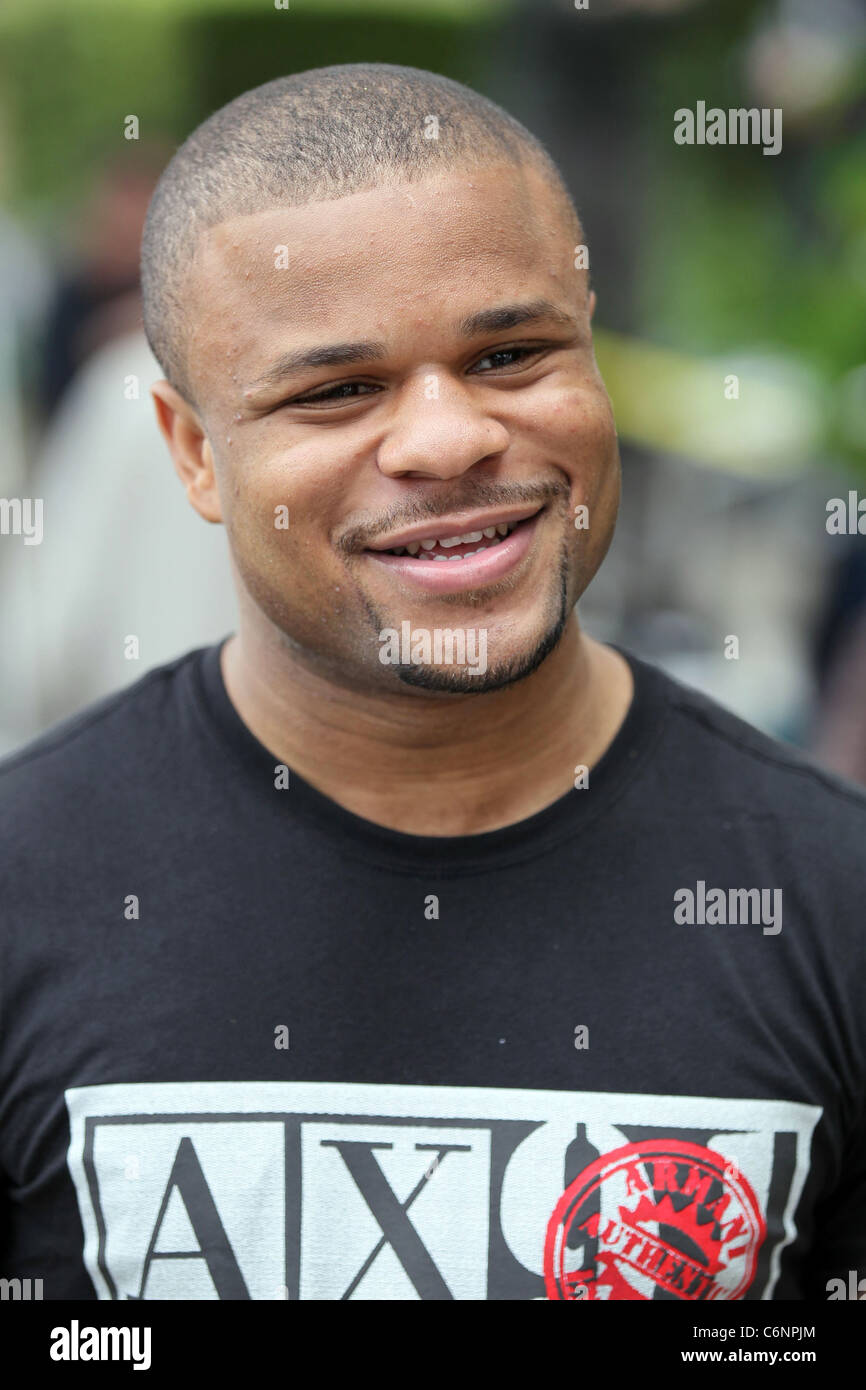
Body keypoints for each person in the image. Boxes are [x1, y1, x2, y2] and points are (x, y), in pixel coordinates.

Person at [0, 64, 863, 1303]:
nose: (447, 439)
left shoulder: (827, 898)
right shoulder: (27, 885)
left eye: (510, 353)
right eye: (337, 391)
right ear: (192, 452)